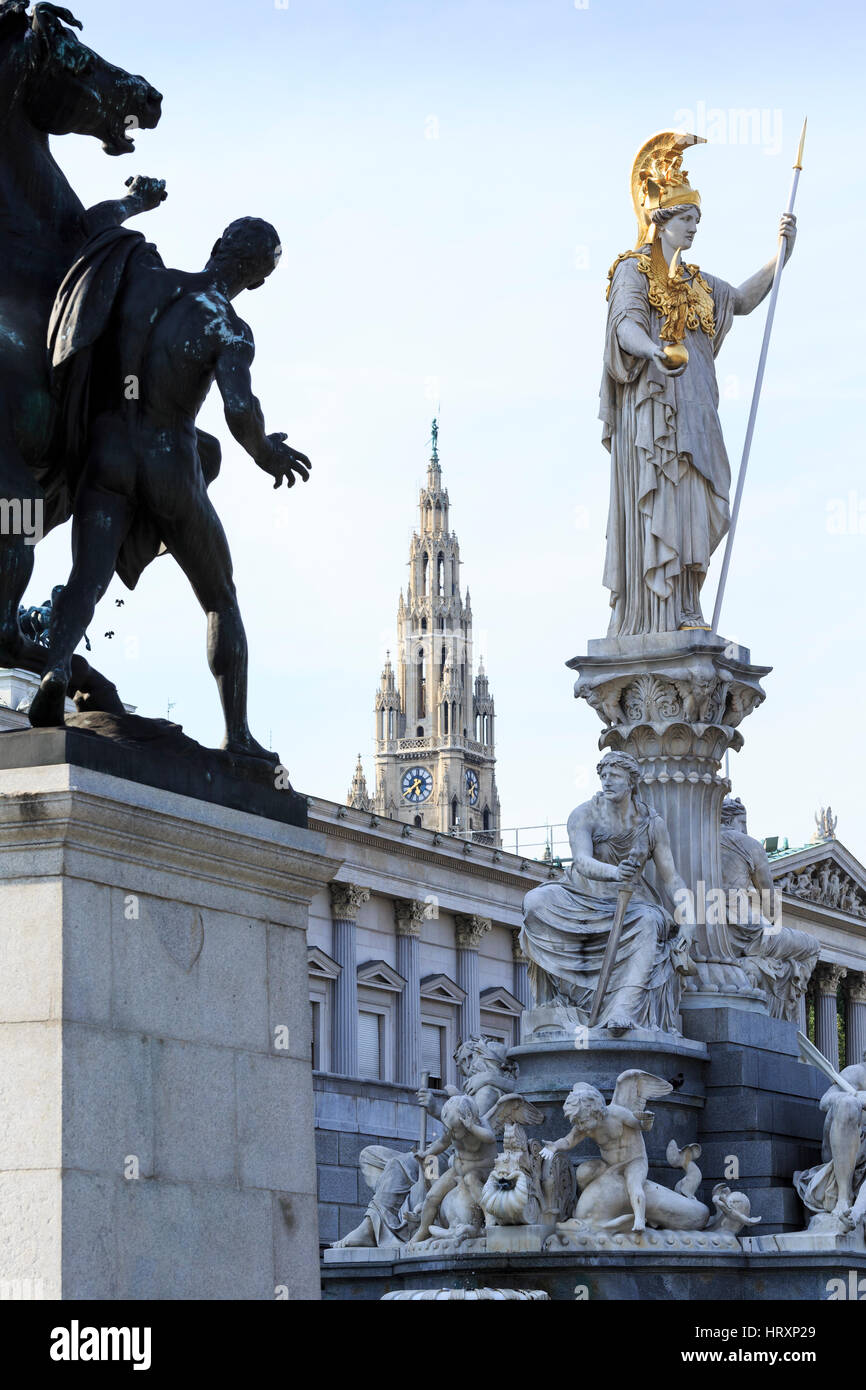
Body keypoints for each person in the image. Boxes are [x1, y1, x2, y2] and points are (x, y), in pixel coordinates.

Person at [30, 214, 310, 760]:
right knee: (219, 596)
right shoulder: (228, 327)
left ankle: (56, 668)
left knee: (85, 579)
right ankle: (238, 736)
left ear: (217, 246)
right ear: (255, 280)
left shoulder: (144, 277)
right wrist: (268, 453)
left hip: (107, 449)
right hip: (169, 462)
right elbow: (238, 409)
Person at [601, 131, 796, 635]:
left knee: (703, 503)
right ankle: (665, 613)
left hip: (698, 408)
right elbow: (626, 326)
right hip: (654, 411)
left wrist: (781, 256)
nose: (693, 228)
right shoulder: (633, 271)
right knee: (664, 498)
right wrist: (654, 351)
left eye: (697, 220)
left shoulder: (701, 284)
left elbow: (746, 300)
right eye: (686, 218)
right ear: (660, 220)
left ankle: (688, 600)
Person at [521, 751, 694, 1034]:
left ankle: (622, 1007)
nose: (606, 782)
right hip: (581, 895)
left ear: (631, 782)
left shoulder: (652, 824)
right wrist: (615, 873)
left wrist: (689, 919)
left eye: (614, 776)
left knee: (650, 922)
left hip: (631, 902)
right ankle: (573, 992)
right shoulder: (584, 814)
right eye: (603, 776)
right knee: (535, 901)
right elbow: (581, 861)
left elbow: (671, 877)